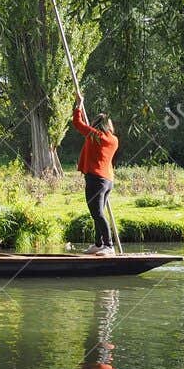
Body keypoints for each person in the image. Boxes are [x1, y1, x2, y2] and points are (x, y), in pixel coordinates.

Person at [71, 104, 119, 255]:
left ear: (97, 125)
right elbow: (86, 129)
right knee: (99, 213)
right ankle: (98, 244)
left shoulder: (96, 136)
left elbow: (78, 124)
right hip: (108, 180)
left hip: (95, 180)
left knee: (97, 214)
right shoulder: (113, 139)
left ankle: (108, 245)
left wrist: (78, 106)